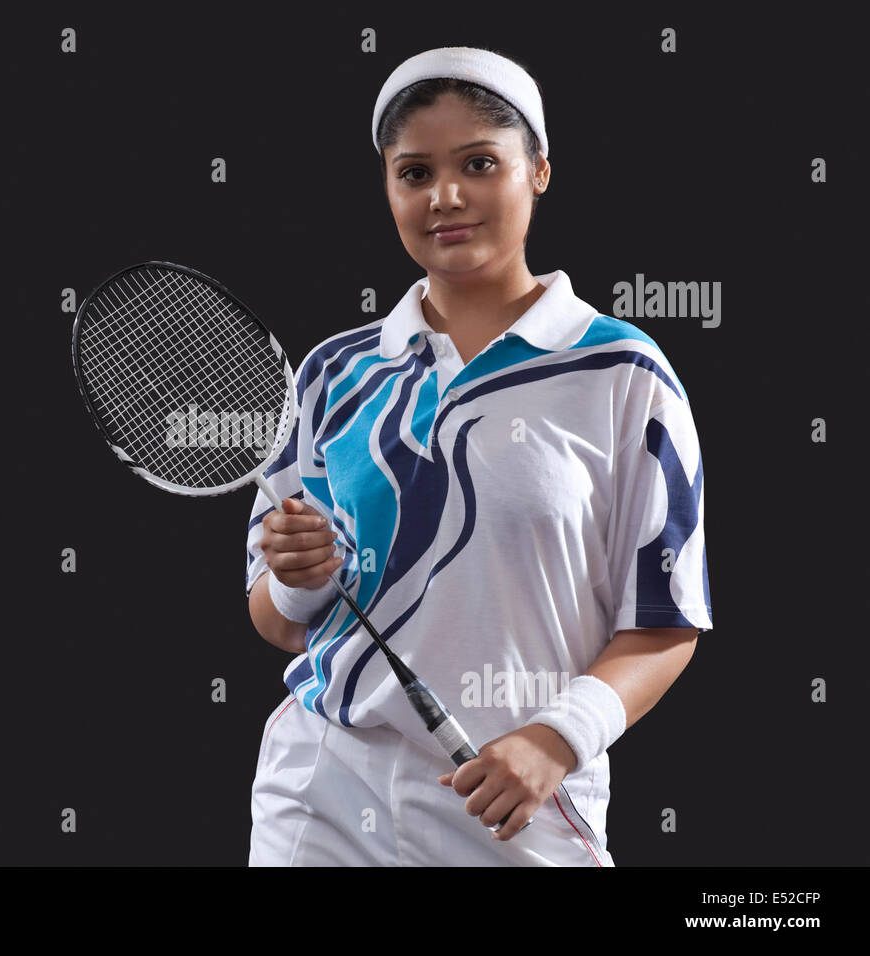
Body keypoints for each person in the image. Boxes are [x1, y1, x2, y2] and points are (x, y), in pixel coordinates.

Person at [244, 47, 713, 866]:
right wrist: (295, 574)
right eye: (414, 172)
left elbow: (668, 623)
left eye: (479, 163)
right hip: (319, 786)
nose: (445, 196)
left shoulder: (622, 372)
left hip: (516, 799)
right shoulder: (334, 372)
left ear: (537, 171)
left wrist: (556, 740)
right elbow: (280, 621)